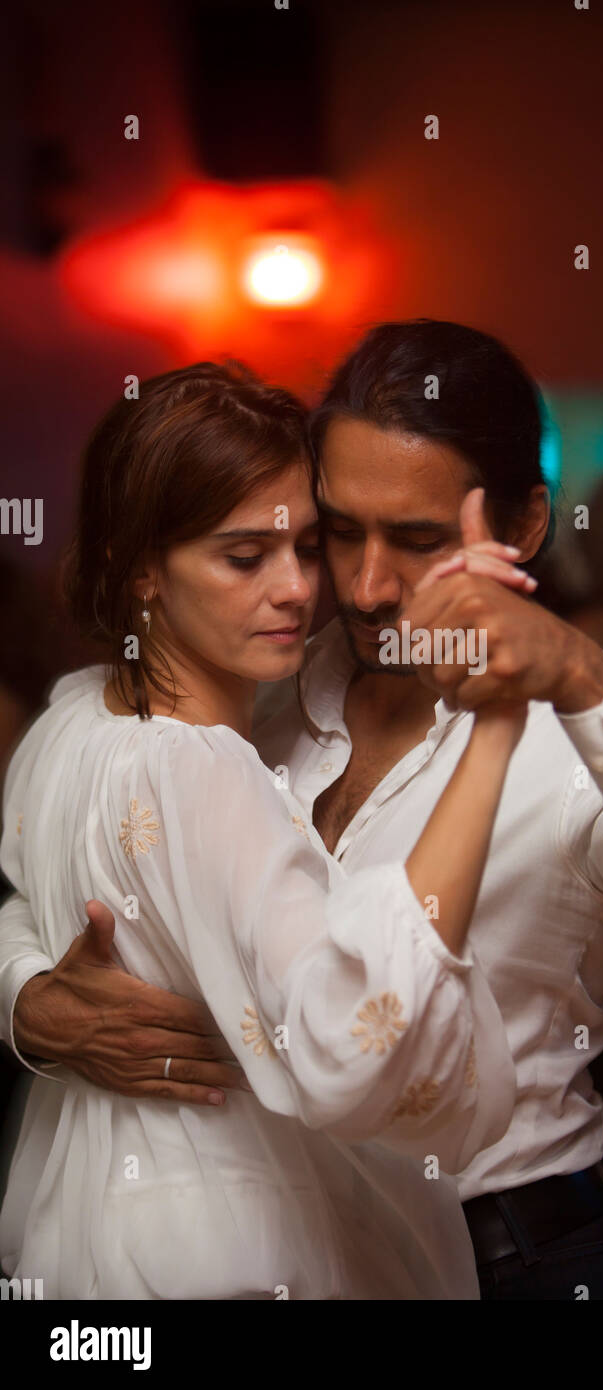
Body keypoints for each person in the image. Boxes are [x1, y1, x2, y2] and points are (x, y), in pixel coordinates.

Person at [1, 322, 603, 1301]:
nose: (361, 585)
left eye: (418, 540)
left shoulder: (577, 748)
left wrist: (585, 678)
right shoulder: (245, 694)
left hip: (529, 1253)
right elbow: (69, 875)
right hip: (319, 1253)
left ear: (521, 525)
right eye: (337, 530)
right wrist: (26, 997)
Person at [0, 359, 532, 1300]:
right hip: (225, 1237)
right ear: (142, 575)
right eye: (245, 558)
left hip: (89, 1224)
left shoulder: (68, 724)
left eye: (308, 548)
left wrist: (27, 994)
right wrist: (495, 729)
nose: (297, 590)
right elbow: (360, 1049)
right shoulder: (203, 769)